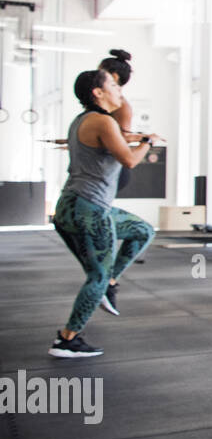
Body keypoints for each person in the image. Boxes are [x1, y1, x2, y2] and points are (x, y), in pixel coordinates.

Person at [50, 69, 158, 358]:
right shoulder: (103, 121)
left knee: (143, 230)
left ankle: (110, 283)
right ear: (97, 92)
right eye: (112, 83)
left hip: (69, 208)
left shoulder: (83, 120)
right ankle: (67, 339)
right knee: (96, 276)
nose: (118, 88)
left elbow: (116, 143)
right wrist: (148, 143)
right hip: (90, 209)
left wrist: (136, 137)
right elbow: (129, 160)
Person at [99, 49, 142, 200]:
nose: (96, 78)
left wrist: (145, 140)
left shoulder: (122, 106)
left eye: (100, 74)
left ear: (114, 77)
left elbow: (123, 137)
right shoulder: (105, 105)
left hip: (115, 169)